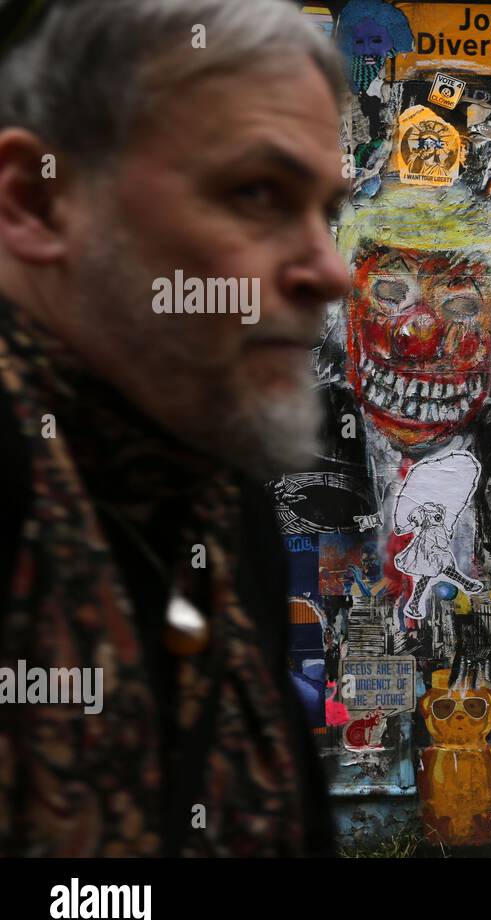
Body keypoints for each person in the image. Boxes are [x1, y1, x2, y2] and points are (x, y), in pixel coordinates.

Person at [0, 0, 350, 856]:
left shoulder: (221, 505)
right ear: (38, 204)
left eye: (325, 209)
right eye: (257, 193)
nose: (330, 271)